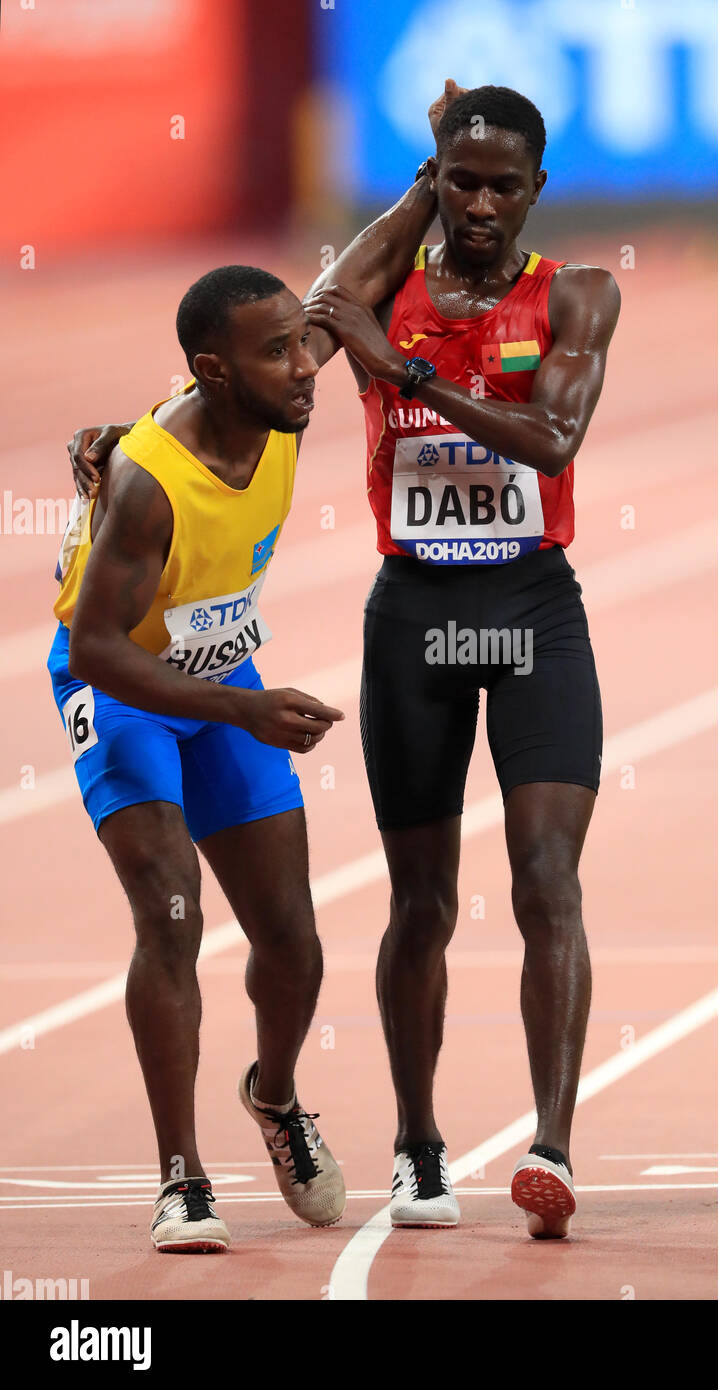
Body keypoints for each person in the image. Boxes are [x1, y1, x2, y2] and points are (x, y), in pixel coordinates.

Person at [70, 83, 620, 1241]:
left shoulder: (553, 298)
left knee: (498, 890)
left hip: (509, 613)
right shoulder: (190, 439)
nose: (309, 369)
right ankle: (329, 1158)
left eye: (497, 183)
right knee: (323, 905)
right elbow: (307, 313)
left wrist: (402, 357)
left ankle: (524, 1144)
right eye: (455, 179)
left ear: (533, 191)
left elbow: (544, 432)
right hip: (309, 635)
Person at [53, 96, 447, 1250]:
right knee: (170, 915)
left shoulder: (272, 394)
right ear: (211, 372)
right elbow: (99, 648)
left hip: (220, 677)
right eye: (277, 355)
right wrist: (244, 706)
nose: (307, 368)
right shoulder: (146, 480)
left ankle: (272, 1094)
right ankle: (181, 1175)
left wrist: (428, 178)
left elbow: (351, 283)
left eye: (299, 346)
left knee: (292, 940)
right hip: (124, 683)